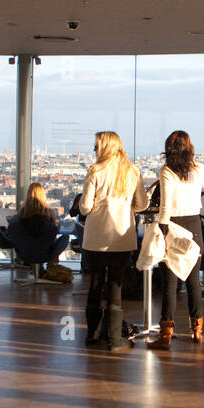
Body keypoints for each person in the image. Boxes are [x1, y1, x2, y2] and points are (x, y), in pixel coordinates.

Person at [79, 131, 148, 351]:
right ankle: (114, 338)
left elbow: (85, 207)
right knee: (116, 285)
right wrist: (126, 209)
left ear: (104, 147)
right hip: (122, 237)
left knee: (96, 283)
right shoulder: (132, 171)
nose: (94, 150)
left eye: (96, 146)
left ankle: (92, 334)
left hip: (96, 237)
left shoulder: (95, 171)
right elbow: (142, 204)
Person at [146, 130, 204, 350]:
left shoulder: (166, 172)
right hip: (195, 226)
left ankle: (166, 335)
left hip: (173, 225)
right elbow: (203, 185)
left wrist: (161, 230)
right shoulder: (199, 170)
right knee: (193, 282)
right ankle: (197, 330)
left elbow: (165, 207)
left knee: (170, 284)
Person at [13, 182, 70, 277]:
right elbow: (53, 232)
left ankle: (36, 268)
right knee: (62, 239)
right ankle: (50, 267)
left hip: (25, 253)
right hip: (45, 252)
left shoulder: (21, 213)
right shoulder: (48, 212)